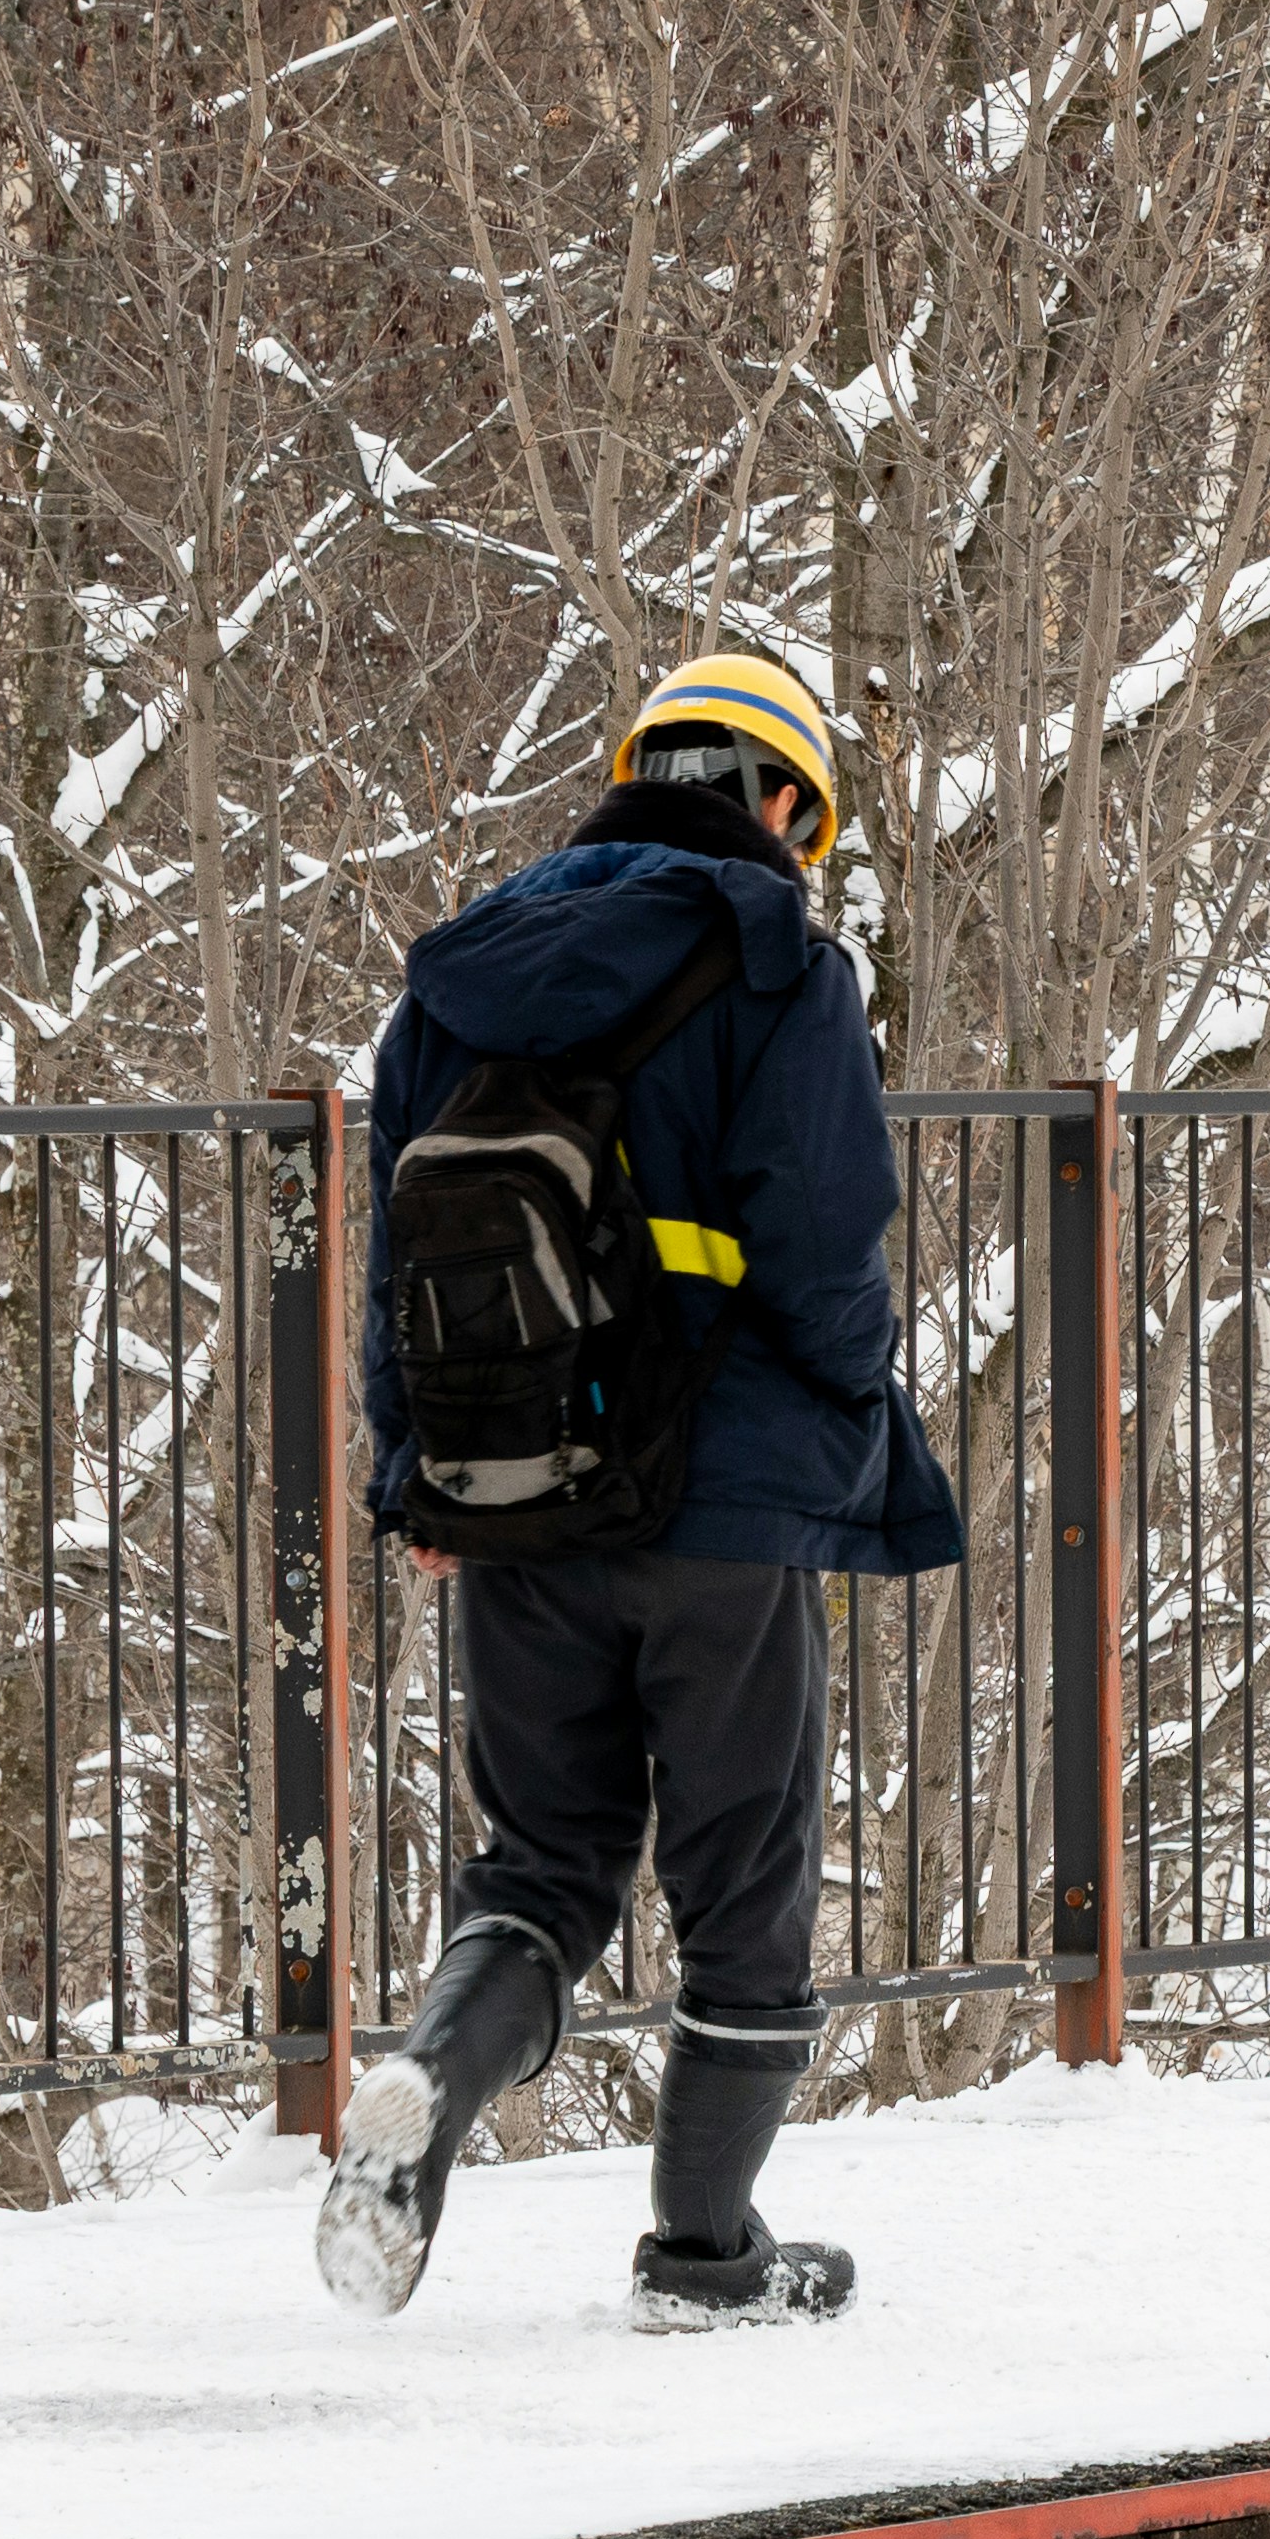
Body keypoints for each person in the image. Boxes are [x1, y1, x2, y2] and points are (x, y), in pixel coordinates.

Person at [317, 652, 961, 2328]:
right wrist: (839, 1415)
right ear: (781, 803)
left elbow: (397, 1258)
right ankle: (702, 2257)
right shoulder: (775, 965)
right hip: (724, 1505)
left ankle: (435, 2087)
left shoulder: (457, 977)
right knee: (742, 1889)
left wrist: (426, 1483)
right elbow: (824, 1248)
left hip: (514, 1488)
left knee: (543, 1869)